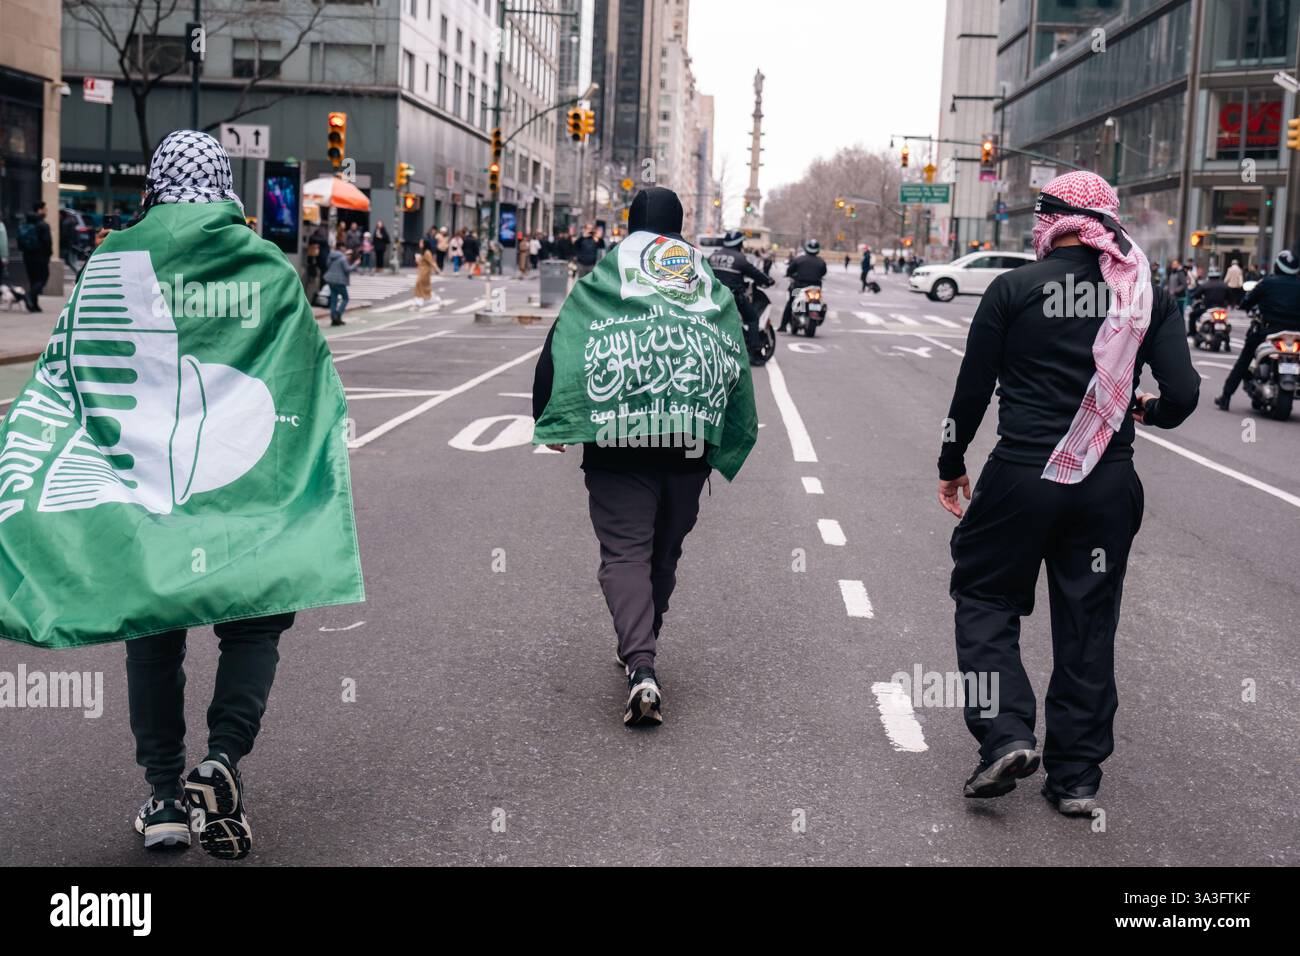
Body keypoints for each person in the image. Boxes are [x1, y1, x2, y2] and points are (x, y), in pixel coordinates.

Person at [80, 129, 361, 858]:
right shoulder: (264, 266)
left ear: (155, 186)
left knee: (152, 633)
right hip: (246, 484)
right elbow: (307, 372)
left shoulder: (115, 259)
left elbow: (74, 371)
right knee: (255, 623)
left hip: (149, 488)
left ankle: (166, 798)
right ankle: (222, 761)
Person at [937, 171, 1198, 816]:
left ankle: (1006, 734)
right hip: (1106, 485)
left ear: (1050, 221)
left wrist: (950, 461)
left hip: (1021, 478)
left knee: (985, 595)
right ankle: (1077, 777)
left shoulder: (1013, 289)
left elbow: (971, 393)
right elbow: (1185, 394)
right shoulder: (1145, 294)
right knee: (1088, 620)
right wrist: (1148, 413)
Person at [531, 186, 757, 727]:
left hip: (618, 441)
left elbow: (564, 343)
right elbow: (735, 357)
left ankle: (641, 662)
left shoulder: (603, 279)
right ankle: (642, 645)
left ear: (630, 223)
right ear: (679, 226)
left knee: (625, 553)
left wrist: (550, 419)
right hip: (687, 444)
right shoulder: (707, 286)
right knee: (664, 552)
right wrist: (731, 428)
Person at [1214, 248, 1300, 411]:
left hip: (1268, 332)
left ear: (1277, 266)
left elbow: (1247, 301)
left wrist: (1246, 304)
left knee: (1244, 360)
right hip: (1296, 335)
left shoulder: (1267, 282)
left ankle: (1226, 397)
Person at [708, 229, 775, 360]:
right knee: (752, 318)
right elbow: (756, 274)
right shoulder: (740, 258)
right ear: (739, 244)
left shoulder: (713, 256)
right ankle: (755, 351)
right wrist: (768, 280)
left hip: (713, 297)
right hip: (733, 297)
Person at [779, 238, 827, 332]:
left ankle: (783, 325)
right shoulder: (821, 261)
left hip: (799, 287)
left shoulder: (799, 259)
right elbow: (823, 272)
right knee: (819, 301)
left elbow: (789, 271)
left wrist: (790, 275)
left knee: (790, 302)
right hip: (815, 288)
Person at [17, 200, 52, 312]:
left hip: (27, 256)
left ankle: (34, 305)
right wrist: (48, 255)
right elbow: (47, 242)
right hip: (40, 256)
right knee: (43, 278)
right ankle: (29, 296)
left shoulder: (25, 223)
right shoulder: (43, 224)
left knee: (33, 280)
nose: (46, 211)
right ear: (40, 210)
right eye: (45, 209)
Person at [1188, 265, 1230, 338]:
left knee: (1192, 315)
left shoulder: (1205, 285)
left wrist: (1193, 295)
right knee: (1226, 322)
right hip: (1221, 309)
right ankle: (1227, 341)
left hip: (1208, 308)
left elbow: (1196, 294)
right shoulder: (1224, 285)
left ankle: (1193, 333)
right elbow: (1230, 297)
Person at [323, 244, 356, 326]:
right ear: (342, 249)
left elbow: (327, 265)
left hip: (330, 279)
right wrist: (356, 264)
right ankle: (338, 315)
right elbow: (348, 269)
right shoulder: (343, 258)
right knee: (346, 298)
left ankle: (333, 317)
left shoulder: (331, 256)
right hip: (339, 281)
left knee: (334, 299)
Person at [413, 238, 437, 304]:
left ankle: (420, 300)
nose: (420, 244)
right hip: (422, 271)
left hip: (425, 272)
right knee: (421, 286)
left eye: (421, 242)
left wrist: (437, 270)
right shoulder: (422, 251)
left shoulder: (427, 252)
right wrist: (418, 260)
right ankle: (420, 300)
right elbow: (420, 262)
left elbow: (431, 262)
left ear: (424, 244)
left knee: (421, 285)